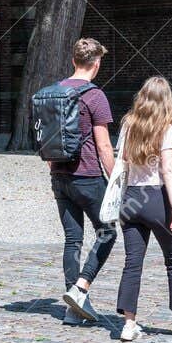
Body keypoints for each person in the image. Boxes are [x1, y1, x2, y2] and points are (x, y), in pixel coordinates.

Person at [99, 76, 172, 343]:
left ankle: (128, 323)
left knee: (132, 263)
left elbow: (121, 161)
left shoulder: (128, 124)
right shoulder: (166, 129)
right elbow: (168, 170)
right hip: (156, 198)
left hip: (131, 200)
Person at [47, 39, 117, 325]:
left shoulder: (55, 92)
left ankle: (72, 307)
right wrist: (115, 180)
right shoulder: (95, 96)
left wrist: (54, 169)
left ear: (74, 61)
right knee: (108, 232)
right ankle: (81, 289)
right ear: (96, 63)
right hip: (87, 176)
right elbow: (103, 147)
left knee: (72, 239)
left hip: (58, 176)